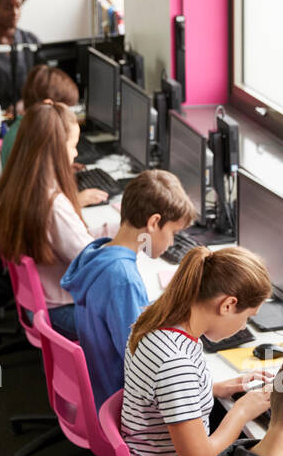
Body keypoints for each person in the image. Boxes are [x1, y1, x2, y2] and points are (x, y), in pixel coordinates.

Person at [121, 247, 273, 456]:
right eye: (247, 317)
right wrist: (242, 411)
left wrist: (218, 387)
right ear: (228, 304)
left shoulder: (160, 321)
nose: (243, 328)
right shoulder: (175, 362)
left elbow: (165, 392)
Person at [60, 170, 197, 409]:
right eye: (173, 233)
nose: (173, 243)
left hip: (101, 391)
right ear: (154, 223)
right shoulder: (123, 279)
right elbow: (143, 364)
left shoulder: (98, 253)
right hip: (123, 406)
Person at [0, 102, 96, 340]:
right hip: (61, 312)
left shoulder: (15, 187)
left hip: (38, 305)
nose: (76, 154)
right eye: (73, 146)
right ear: (55, 150)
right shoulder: (53, 206)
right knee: (143, 317)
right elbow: (95, 267)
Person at [0, 64, 100, 200]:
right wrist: (79, 200)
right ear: (48, 105)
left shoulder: (21, 128)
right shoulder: (28, 140)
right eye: (65, 108)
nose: (68, 113)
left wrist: (60, 166)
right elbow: (36, 202)